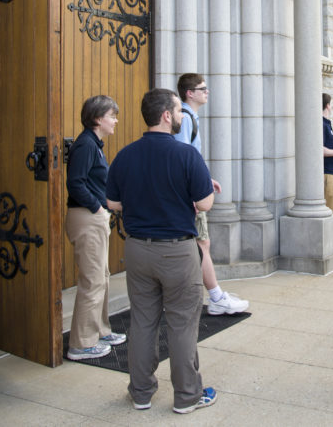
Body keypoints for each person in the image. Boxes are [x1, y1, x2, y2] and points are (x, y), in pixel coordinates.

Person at [106, 89, 218, 414]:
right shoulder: (186, 155)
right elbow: (204, 203)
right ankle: (187, 397)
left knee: (142, 322)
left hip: (138, 250)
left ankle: (140, 393)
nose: (182, 115)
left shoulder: (125, 155)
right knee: (182, 324)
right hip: (177, 251)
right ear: (167, 116)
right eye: (178, 110)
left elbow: (112, 203)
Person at [175, 73, 248, 315]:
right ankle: (216, 297)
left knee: (198, 243)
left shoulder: (189, 117)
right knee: (202, 243)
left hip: (192, 188)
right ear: (190, 93)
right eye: (202, 88)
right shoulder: (185, 118)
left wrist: (205, 179)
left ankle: (203, 295)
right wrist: (194, 193)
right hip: (189, 194)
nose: (207, 91)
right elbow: (182, 158)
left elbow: (190, 158)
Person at [65, 95, 128, 360]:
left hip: (93, 217)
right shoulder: (85, 145)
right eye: (112, 115)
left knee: (102, 276)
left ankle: (100, 330)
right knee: (92, 280)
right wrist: (98, 208)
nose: (115, 120)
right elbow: (75, 183)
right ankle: (81, 344)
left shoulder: (93, 144)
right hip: (86, 218)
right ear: (97, 118)